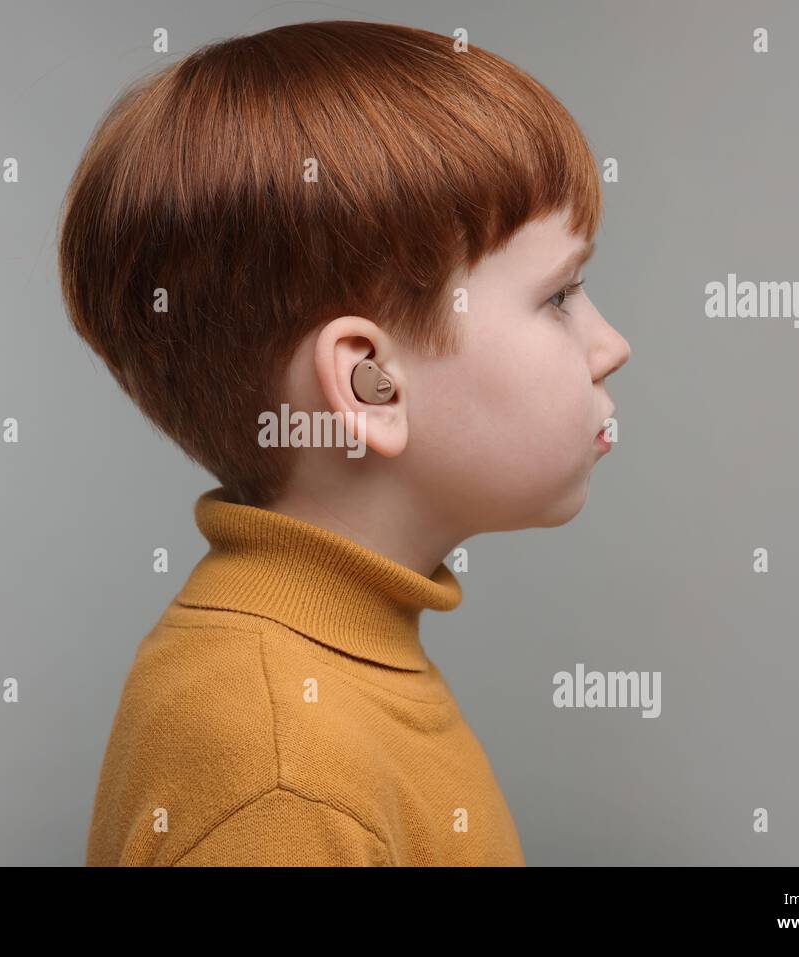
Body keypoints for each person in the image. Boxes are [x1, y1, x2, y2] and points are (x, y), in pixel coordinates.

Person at [58, 19, 631, 866]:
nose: (609, 344)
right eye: (559, 296)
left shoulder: (334, 668)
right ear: (371, 383)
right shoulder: (282, 775)